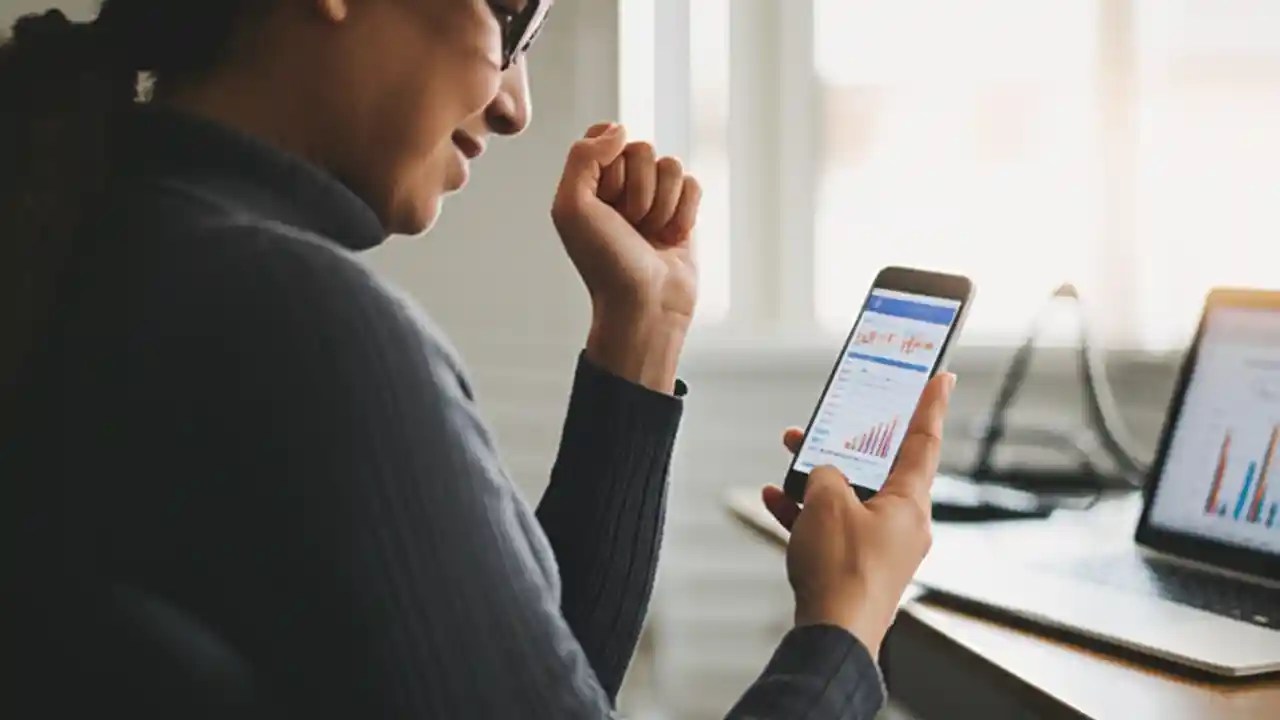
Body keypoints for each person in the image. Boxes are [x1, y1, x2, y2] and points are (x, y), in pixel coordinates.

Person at [0, 1, 955, 718]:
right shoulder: (301, 329)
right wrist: (845, 629)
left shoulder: (98, 237)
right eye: (515, 21)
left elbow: (523, 680)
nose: (516, 106)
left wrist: (644, 324)